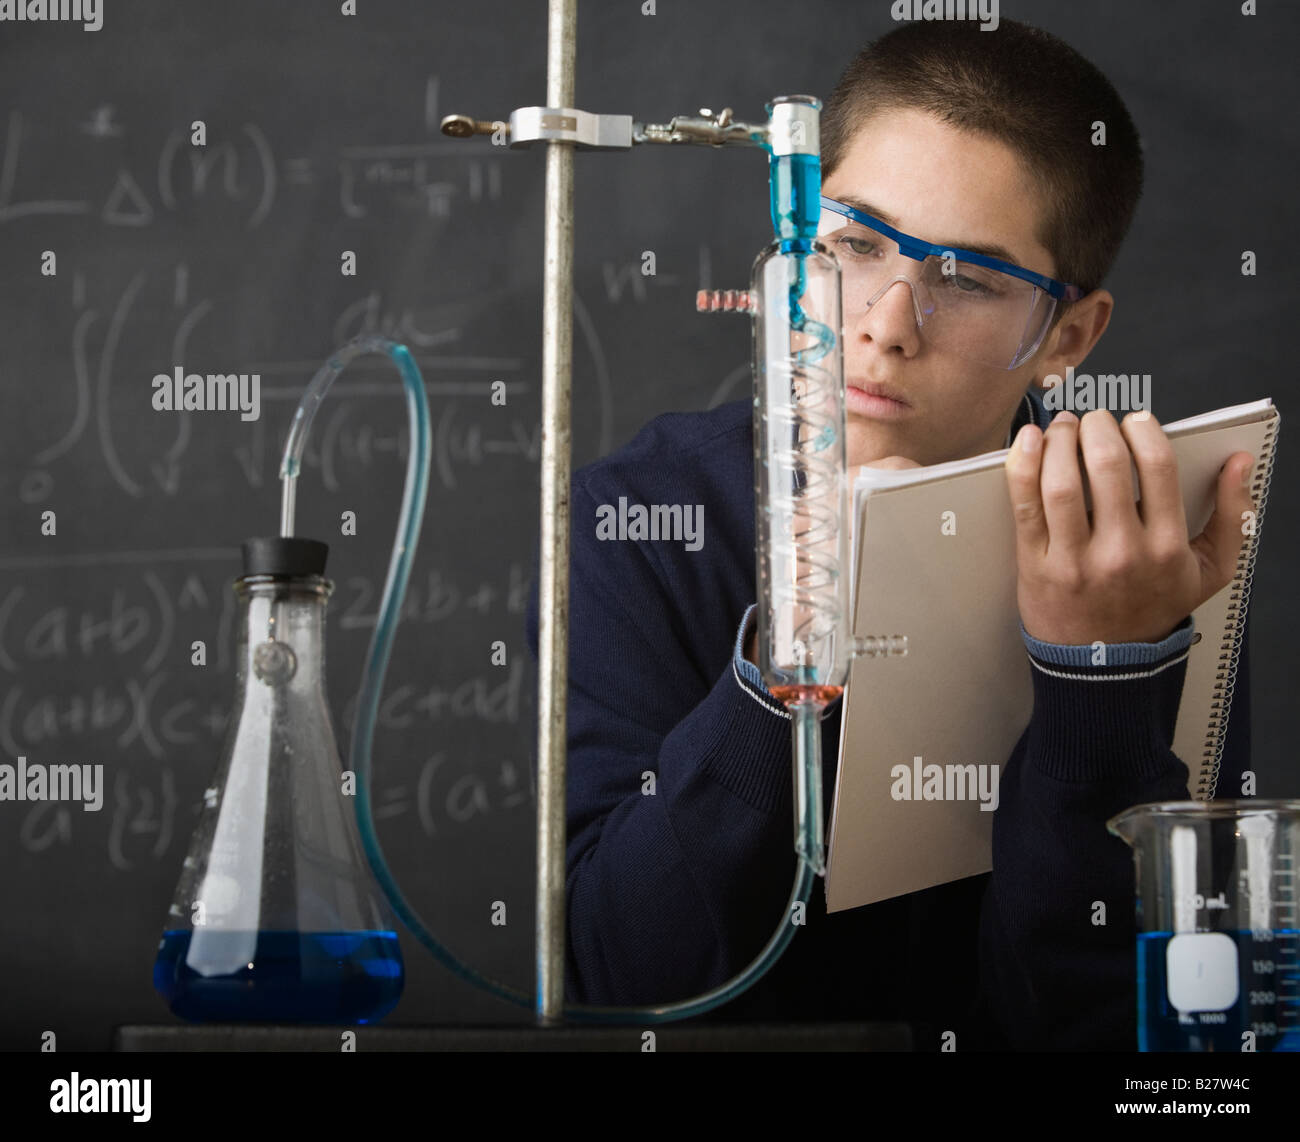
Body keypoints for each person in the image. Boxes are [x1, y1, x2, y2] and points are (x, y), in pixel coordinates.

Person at [525, 18, 1256, 1051]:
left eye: (969, 278)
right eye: (855, 242)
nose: (886, 321)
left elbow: (1130, 1031)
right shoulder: (634, 521)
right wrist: (800, 637)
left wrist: (1103, 673)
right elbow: (621, 976)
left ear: (1069, 337)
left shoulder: (1136, 558)